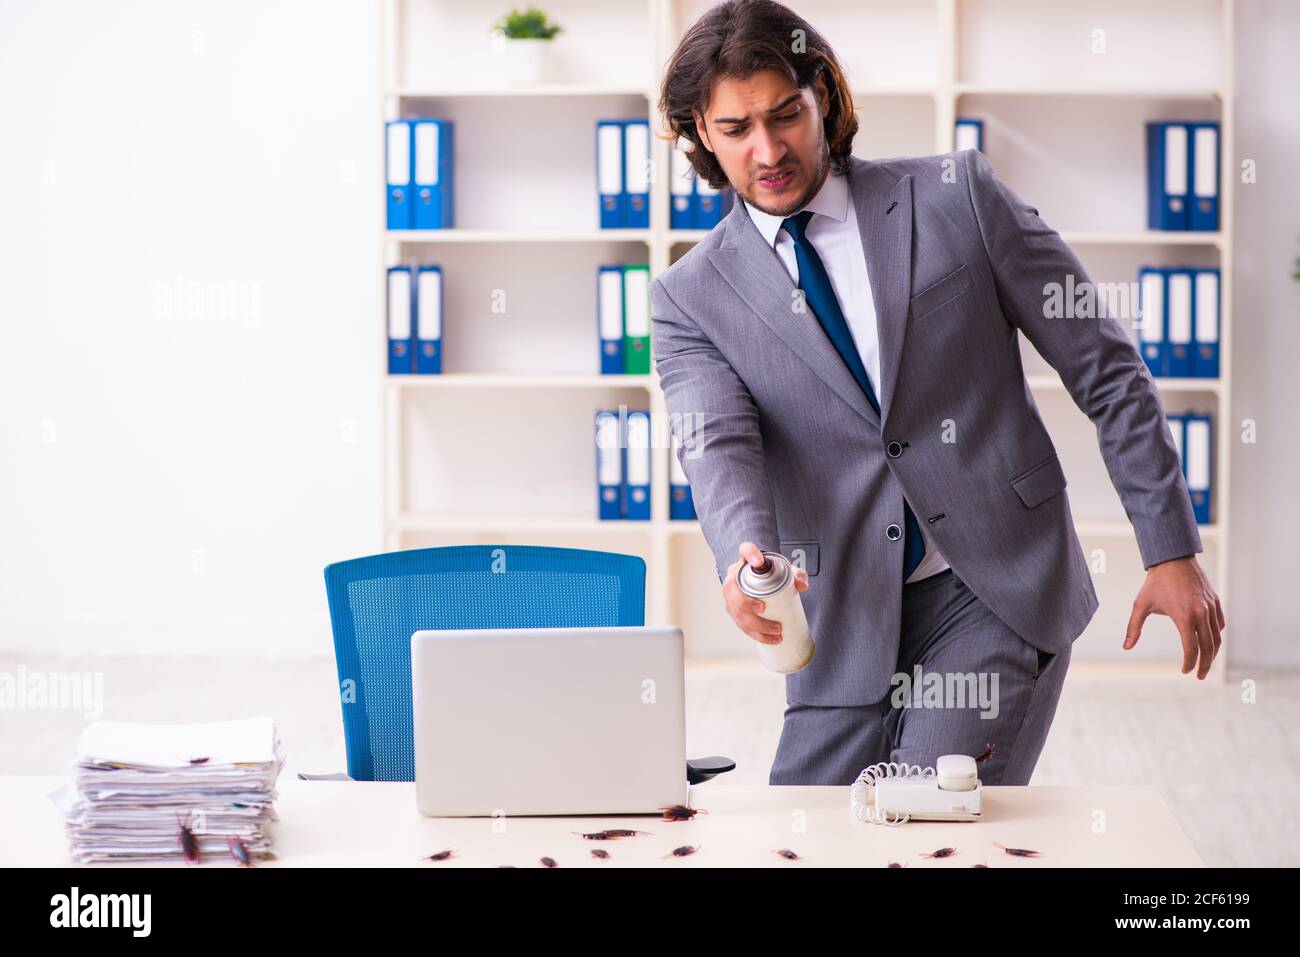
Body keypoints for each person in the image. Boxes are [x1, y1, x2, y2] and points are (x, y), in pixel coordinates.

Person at [651, 0, 1225, 786]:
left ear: (823, 93)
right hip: (843, 618)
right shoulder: (688, 297)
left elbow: (1105, 363)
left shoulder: (958, 195)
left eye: (785, 113)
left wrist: (1171, 549)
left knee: (923, 819)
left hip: (993, 583)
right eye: (736, 128)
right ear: (699, 134)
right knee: (801, 835)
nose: (769, 147)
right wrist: (744, 554)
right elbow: (716, 442)